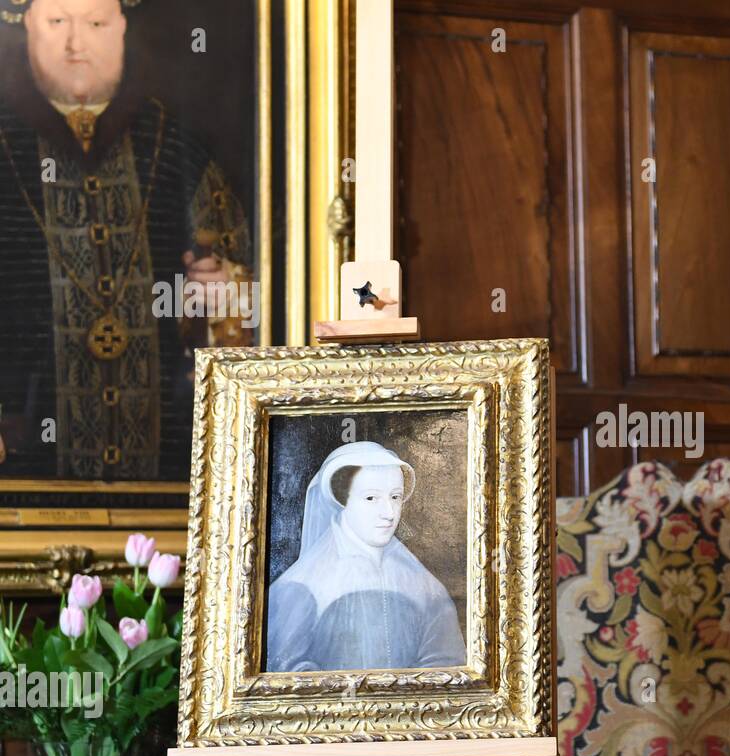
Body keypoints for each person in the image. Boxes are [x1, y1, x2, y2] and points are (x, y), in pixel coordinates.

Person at [0, 0, 253, 480]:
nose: (76, 43)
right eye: (58, 22)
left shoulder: (176, 144)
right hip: (22, 451)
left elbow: (258, 294)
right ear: (26, 26)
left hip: (169, 457)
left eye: (95, 22)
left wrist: (227, 291)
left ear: (120, 29)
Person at [266, 441, 465, 672]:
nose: (389, 514)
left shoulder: (422, 582)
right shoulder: (300, 587)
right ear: (343, 500)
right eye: (371, 498)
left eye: (395, 497)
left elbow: (448, 664)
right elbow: (285, 679)